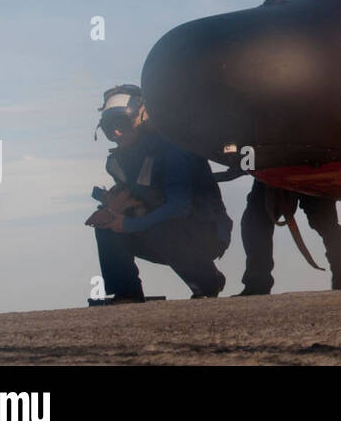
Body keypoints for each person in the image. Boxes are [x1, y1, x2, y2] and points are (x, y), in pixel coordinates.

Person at [88, 84, 233, 303]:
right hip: (163, 230)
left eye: (122, 123)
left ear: (142, 115)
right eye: (109, 128)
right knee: (108, 227)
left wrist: (127, 224)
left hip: (204, 232)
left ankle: (207, 282)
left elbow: (179, 206)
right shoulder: (123, 158)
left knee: (158, 227)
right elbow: (142, 192)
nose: (116, 132)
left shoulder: (172, 148)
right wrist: (115, 207)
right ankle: (127, 293)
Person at [231, 180, 341, 295]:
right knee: (255, 219)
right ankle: (257, 283)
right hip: (274, 165)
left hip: (310, 164)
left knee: (324, 222)